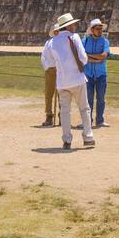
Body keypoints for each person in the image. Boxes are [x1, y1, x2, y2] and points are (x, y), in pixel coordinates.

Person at [48, 13, 95, 150]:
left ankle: (67, 140)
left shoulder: (52, 42)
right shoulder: (74, 37)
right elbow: (83, 58)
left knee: (65, 112)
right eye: (73, 24)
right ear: (68, 26)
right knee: (84, 109)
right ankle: (88, 137)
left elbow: (51, 62)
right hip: (77, 79)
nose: (75, 26)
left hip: (62, 82)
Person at [82, 18, 111, 128]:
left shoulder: (105, 41)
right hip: (88, 74)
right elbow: (81, 56)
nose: (100, 31)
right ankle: (87, 121)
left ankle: (100, 120)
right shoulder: (84, 41)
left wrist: (88, 56)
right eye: (98, 28)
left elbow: (103, 56)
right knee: (87, 99)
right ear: (92, 29)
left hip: (101, 74)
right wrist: (96, 58)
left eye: (101, 29)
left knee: (101, 98)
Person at [40, 33, 58, 127]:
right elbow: (43, 56)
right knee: (49, 94)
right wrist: (47, 67)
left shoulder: (64, 42)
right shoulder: (48, 43)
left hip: (61, 70)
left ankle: (63, 116)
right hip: (50, 70)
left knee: (63, 94)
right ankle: (49, 116)